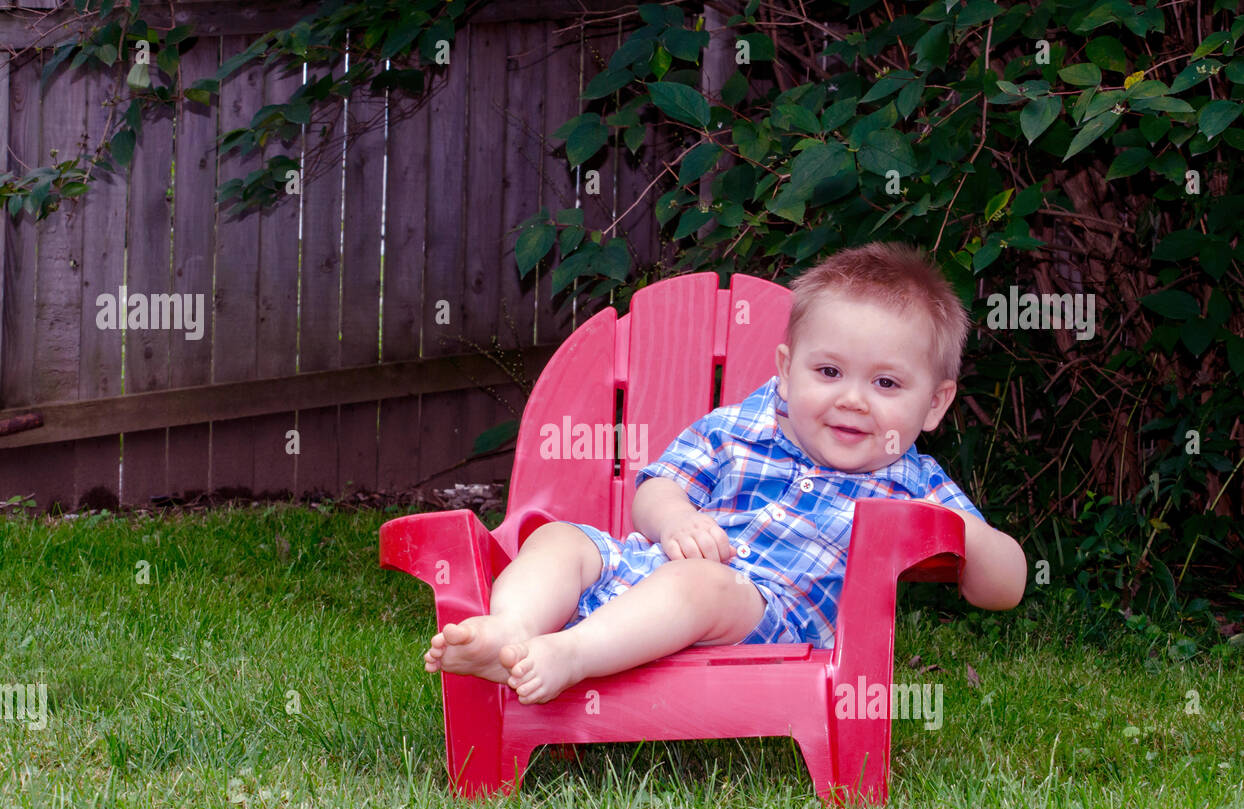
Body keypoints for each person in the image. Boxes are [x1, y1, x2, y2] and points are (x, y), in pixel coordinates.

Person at [425, 242, 1027, 704]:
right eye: (828, 372)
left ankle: (567, 655)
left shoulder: (914, 482)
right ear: (787, 371)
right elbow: (658, 484)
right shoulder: (742, 428)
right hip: (650, 569)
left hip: (768, 618)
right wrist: (676, 518)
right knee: (558, 539)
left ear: (936, 404)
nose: (853, 400)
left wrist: (957, 530)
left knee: (699, 586)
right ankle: (510, 631)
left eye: (887, 383)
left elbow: (1005, 585)